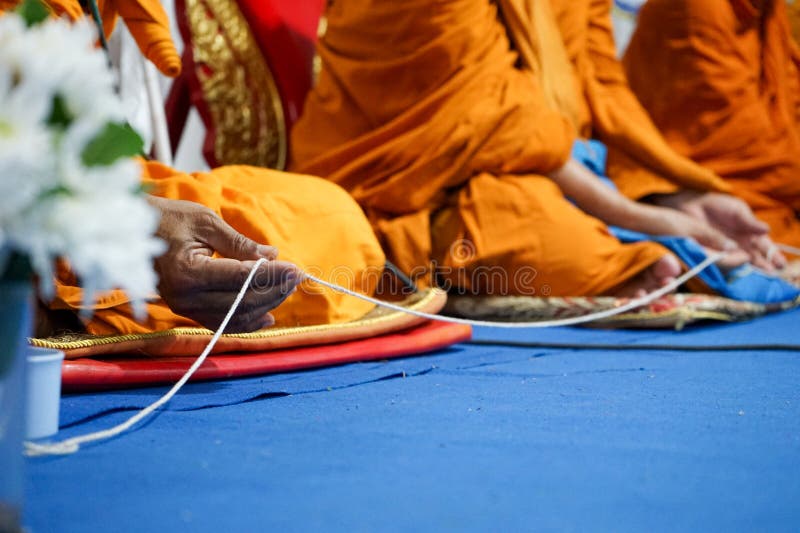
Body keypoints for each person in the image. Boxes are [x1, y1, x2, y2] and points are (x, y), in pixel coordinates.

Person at [290, 0, 783, 301]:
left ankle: (637, 242)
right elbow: (485, 114)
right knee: (541, 232)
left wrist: (672, 196)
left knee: (699, 231)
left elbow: (599, 87)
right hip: (420, 172)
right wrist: (637, 215)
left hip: (553, 159)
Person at [1, 0, 385, 336]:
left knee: (333, 216)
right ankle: (50, 300)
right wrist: (133, 224)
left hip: (83, 173)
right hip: (36, 191)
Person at [623, 0, 800, 249]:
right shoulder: (697, 8)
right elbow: (741, 145)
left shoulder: (768, 9)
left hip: (778, 195)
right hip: (711, 193)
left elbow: (788, 100)